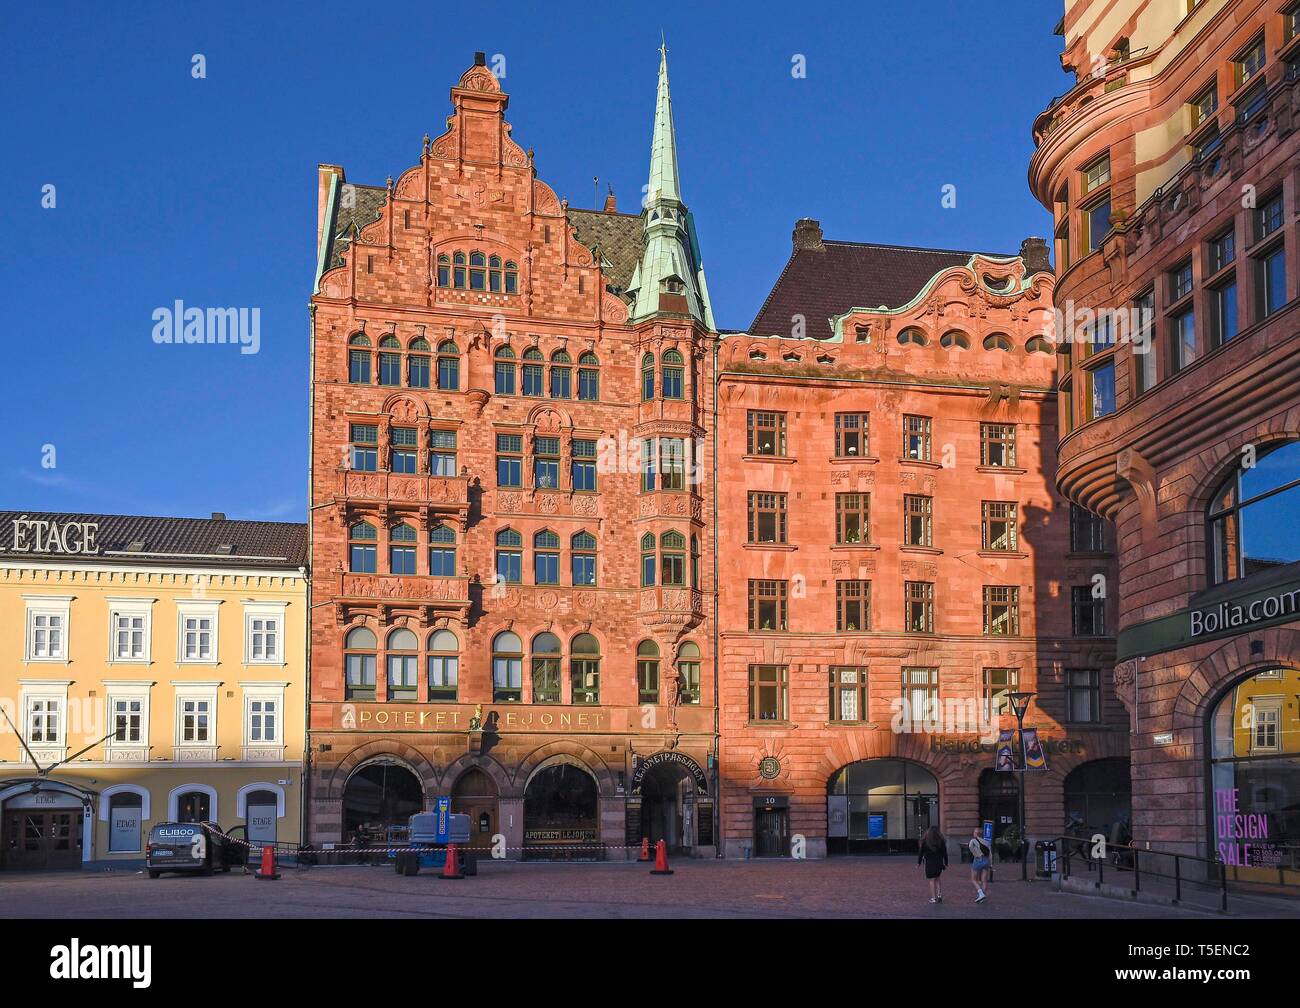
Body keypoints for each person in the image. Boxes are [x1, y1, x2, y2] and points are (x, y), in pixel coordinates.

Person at [917, 826, 948, 904]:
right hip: (939, 862)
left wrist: (919, 863)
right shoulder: (941, 841)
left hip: (929, 863)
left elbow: (921, 853)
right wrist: (946, 862)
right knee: (938, 878)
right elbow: (945, 853)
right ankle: (939, 895)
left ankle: (933, 898)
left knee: (932, 880)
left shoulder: (926, 841)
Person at [968, 828, 991, 903]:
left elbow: (970, 847)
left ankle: (980, 893)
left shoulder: (973, 840)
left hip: (978, 860)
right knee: (984, 880)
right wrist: (991, 864)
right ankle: (983, 896)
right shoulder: (987, 842)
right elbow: (990, 854)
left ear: (975, 833)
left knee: (974, 879)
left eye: (974, 832)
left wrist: (976, 854)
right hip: (986, 860)